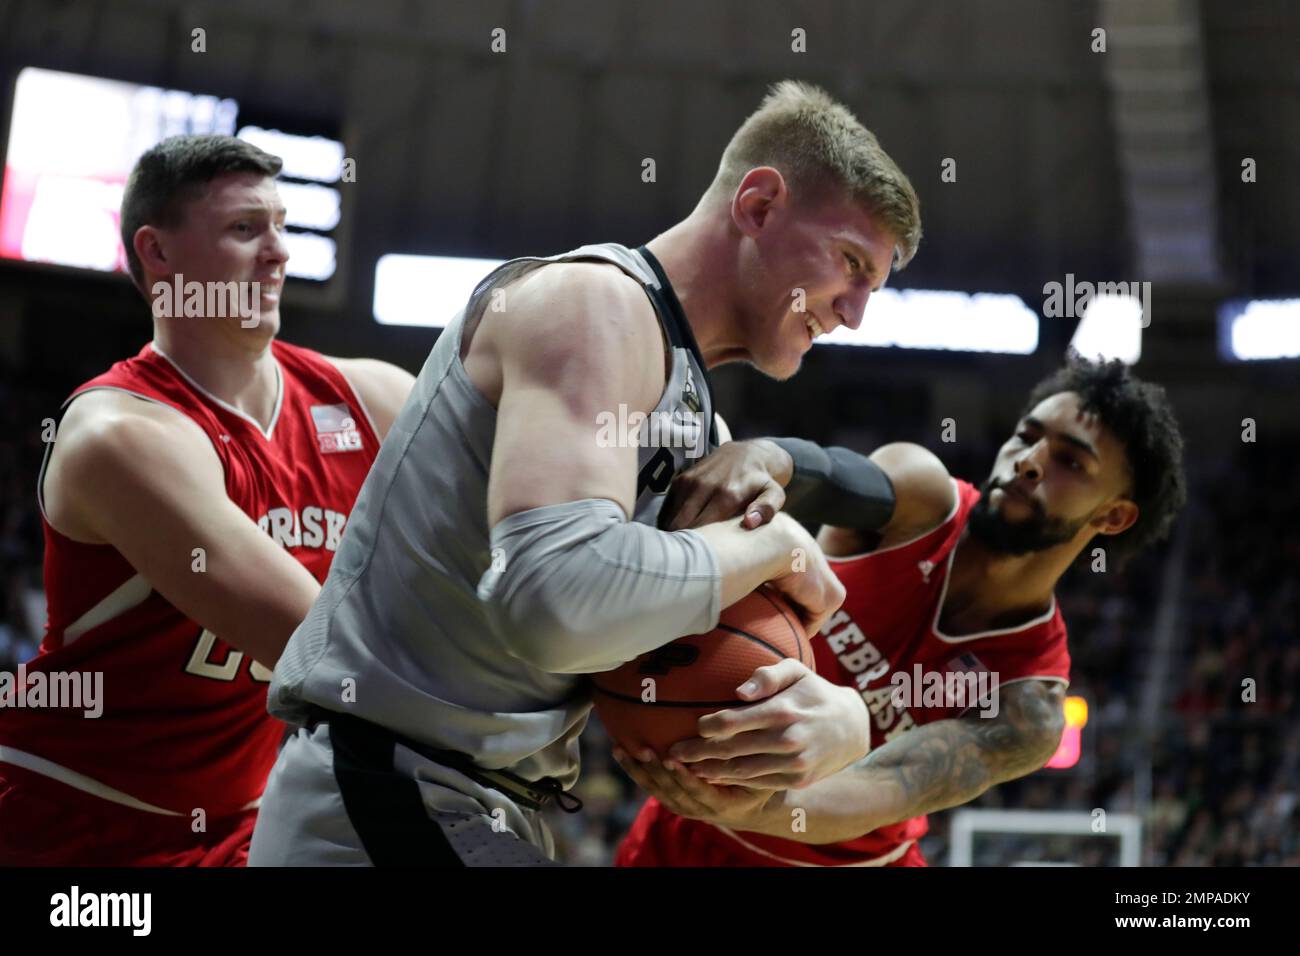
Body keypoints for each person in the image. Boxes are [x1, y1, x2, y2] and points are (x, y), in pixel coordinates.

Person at [249, 79, 922, 866]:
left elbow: (657, 641)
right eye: (850, 264)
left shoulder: (700, 422)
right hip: (386, 785)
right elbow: (553, 599)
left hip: (475, 800)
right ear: (760, 205)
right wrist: (780, 547)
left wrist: (835, 721)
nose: (854, 314)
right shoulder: (591, 305)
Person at [0, 135, 414, 866]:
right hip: (71, 821)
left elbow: (529, 522)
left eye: (282, 226)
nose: (279, 252)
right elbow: (319, 646)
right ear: (158, 254)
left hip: (236, 825)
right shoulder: (117, 433)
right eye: (245, 228)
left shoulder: (371, 398)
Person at [614, 355, 1187, 866]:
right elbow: (833, 476)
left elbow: (893, 782)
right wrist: (766, 455)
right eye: (1026, 436)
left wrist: (749, 806)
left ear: (1112, 517)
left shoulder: (1028, 701)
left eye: (1070, 461)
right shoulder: (922, 501)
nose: (1027, 462)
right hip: (688, 837)